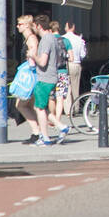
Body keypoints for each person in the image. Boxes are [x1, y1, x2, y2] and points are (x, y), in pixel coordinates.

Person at [30, 15, 65, 144]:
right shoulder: (52, 38)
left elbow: (43, 61)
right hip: (51, 76)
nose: (33, 28)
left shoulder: (45, 40)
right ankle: (62, 126)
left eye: (34, 26)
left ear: (39, 26)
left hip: (45, 78)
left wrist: (33, 56)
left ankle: (45, 138)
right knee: (42, 107)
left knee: (39, 108)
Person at [62, 21, 86, 104]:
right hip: (76, 64)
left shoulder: (62, 38)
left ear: (67, 27)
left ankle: (68, 110)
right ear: (73, 28)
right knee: (76, 87)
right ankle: (75, 108)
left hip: (66, 64)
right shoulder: (79, 39)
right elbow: (83, 55)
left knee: (67, 87)